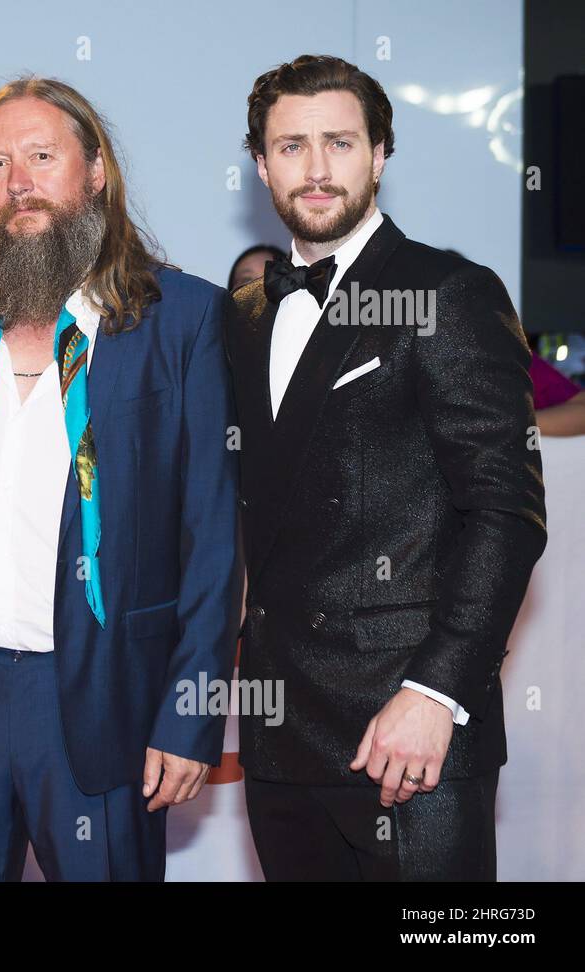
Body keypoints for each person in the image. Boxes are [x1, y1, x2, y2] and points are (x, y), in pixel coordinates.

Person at [0, 76, 242, 881]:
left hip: (105, 706)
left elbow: (211, 539)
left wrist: (189, 714)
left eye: (41, 156)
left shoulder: (182, 318)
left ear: (95, 170)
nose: (18, 183)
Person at [225, 54, 547, 881]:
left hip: (408, 737)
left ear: (380, 155)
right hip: (280, 737)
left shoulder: (447, 291)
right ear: (261, 164)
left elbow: (505, 515)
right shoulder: (247, 314)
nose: (318, 168)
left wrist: (437, 694)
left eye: (340, 142)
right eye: (291, 146)